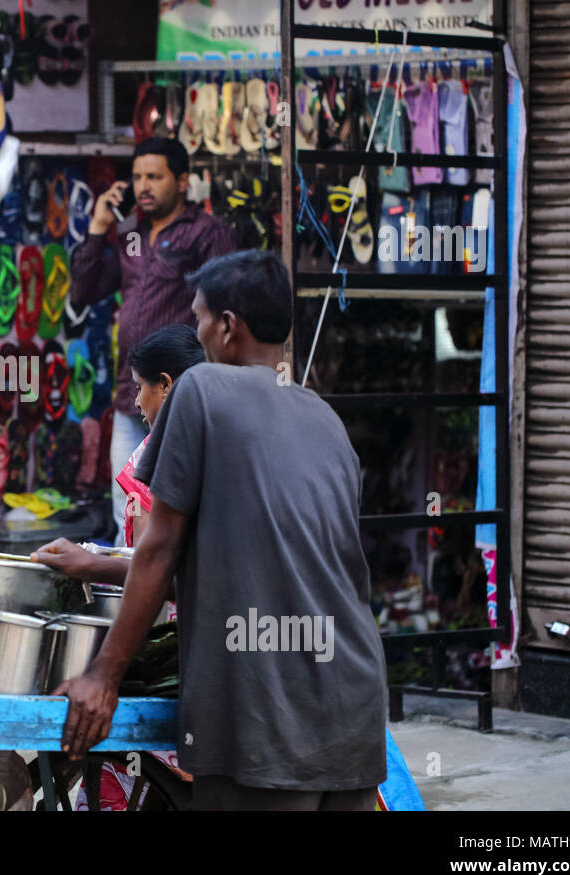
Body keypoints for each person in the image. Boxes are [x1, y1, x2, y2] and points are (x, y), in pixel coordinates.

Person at [54, 249, 388, 810]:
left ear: (228, 326)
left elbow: (160, 550)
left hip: (267, 713)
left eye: (200, 317)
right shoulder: (324, 417)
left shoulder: (199, 389)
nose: (198, 331)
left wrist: (103, 677)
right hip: (353, 703)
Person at [69, 137, 237, 540]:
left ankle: (174, 597)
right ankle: (135, 596)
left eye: (155, 176)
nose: (143, 186)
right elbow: (82, 292)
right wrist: (98, 227)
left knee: (176, 508)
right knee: (126, 509)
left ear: (182, 181)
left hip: (183, 397)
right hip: (133, 397)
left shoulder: (207, 234)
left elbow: (229, 311)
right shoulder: (133, 236)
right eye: (138, 176)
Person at [30, 323, 207, 584]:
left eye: (139, 387)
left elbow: (150, 572)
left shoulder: (154, 456)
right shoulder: (220, 443)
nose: (136, 402)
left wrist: (92, 564)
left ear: (165, 385)